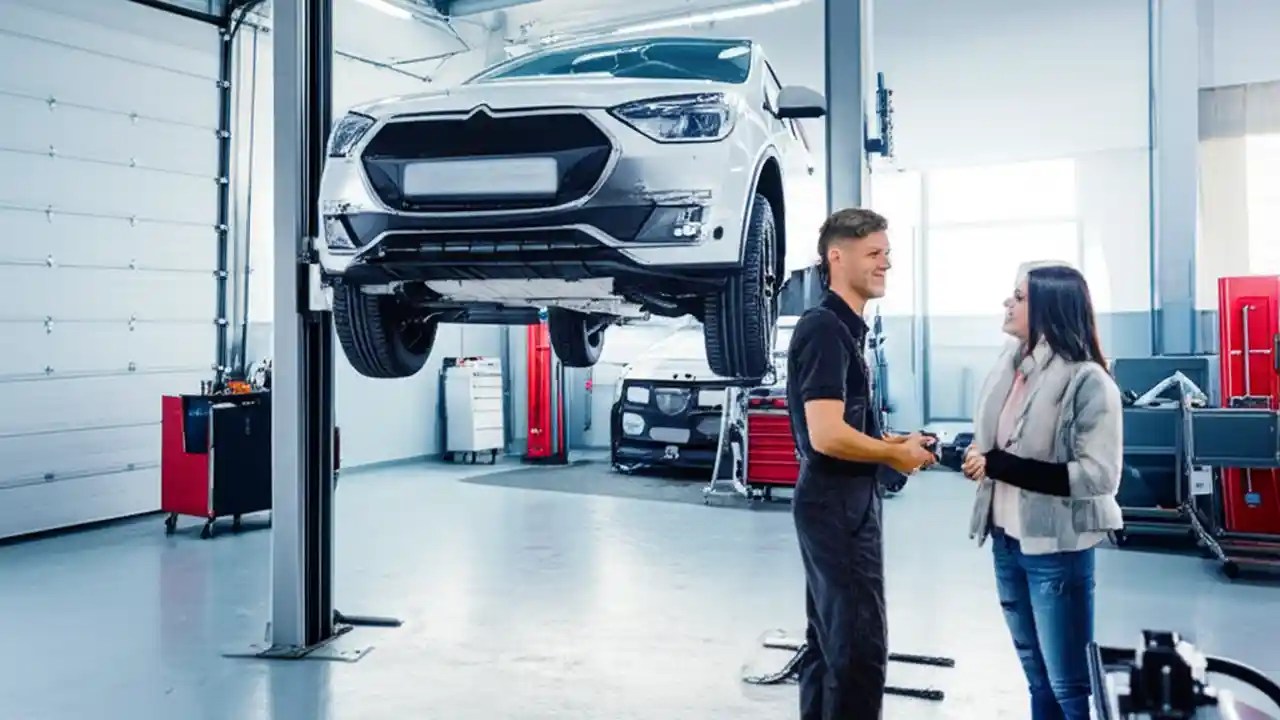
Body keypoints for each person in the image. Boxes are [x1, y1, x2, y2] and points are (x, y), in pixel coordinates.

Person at [786, 207, 938, 720]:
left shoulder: (846, 330)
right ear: (837, 256)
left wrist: (893, 440)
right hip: (836, 503)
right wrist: (892, 453)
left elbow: (843, 424)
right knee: (858, 651)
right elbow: (827, 435)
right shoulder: (826, 329)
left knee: (831, 643)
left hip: (841, 499)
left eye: (887, 255)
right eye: (873, 254)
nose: (885, 265)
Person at [961, 262, 1124, 720]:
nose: (1007, 303)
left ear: (1049, 307)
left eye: (1019, 296)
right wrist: (975, 455)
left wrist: (1002, 466)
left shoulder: (1087, 379)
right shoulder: (1012, 368)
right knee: (1037, 676)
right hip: (1006, 540)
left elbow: (1099, 476)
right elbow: (998, 442)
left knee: (1068, 685)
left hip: (1056, 549)